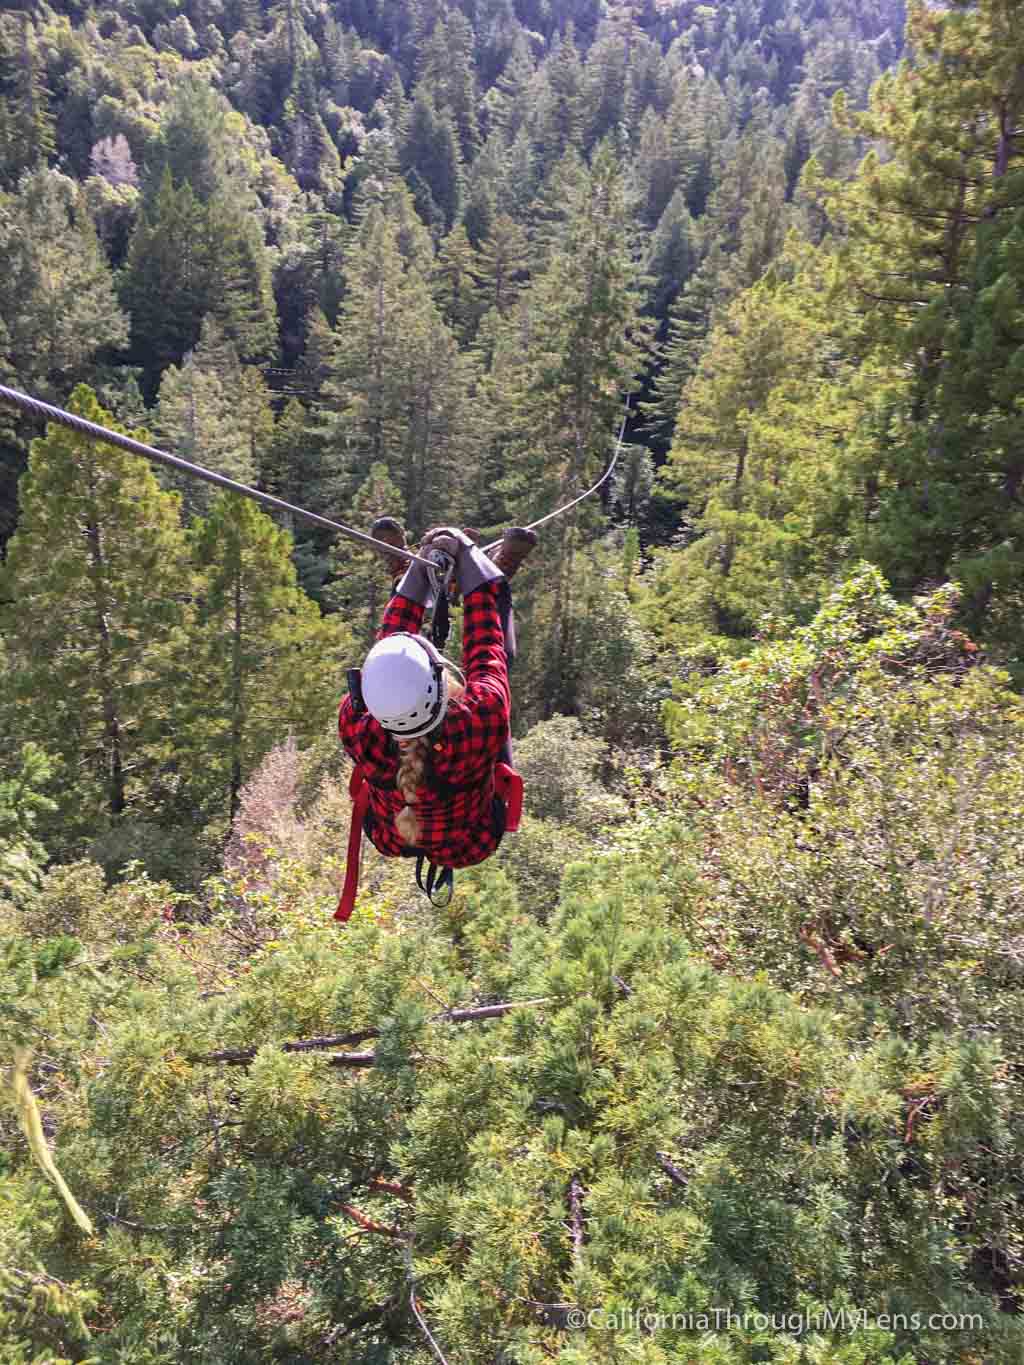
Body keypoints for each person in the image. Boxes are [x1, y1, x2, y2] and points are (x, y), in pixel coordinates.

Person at [334, 523, 536, 919]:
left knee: (493, 697)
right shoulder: (475, 719)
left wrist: (420, 569)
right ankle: (499, 576)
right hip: (467, 841)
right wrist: (466, 555)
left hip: (394, 834)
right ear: (441, 686)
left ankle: (403, 573)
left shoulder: (358, 727)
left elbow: (388, 652)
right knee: (498, 676)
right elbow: (485, 649)